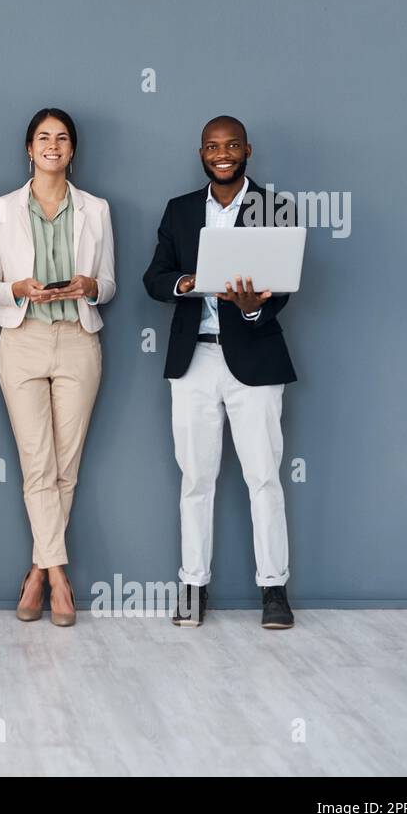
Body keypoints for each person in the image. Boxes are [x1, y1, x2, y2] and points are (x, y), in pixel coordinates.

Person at [141, 115, 297, 629]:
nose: (222, 153)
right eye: (212, 145)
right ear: (201, 151)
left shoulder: (273, 208)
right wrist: (191, 282)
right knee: (195, 478)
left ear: (248, 149)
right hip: (194, 361)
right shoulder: (181, 210)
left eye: (231, 145)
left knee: (263, 477)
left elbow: (285, 287)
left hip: (255, 355)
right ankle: (193, 586)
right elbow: (155, 278)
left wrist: (252, 308)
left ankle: (274, 590)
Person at [0, 108, 116, 626]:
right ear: (29, 150)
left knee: (66, 466)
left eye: (61, 138)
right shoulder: (1, 209)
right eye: (43, 138)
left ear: (72, 150)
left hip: (80, 339)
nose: (52, 145)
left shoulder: (97, 210)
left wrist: (90, 288)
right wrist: (17, 288)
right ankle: (59, 576)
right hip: (23, 340)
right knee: (37, 462)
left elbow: (111, 283)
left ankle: (37, 570)